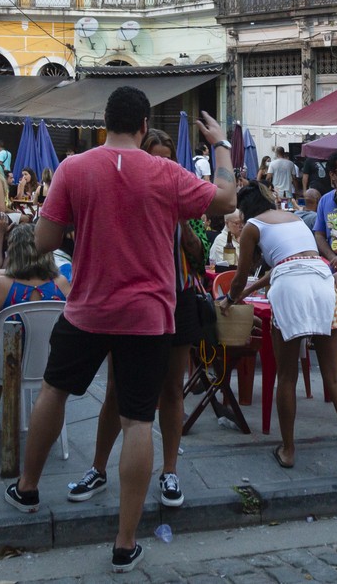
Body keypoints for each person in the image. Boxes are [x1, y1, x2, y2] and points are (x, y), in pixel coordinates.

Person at [3, 90, 232, 577]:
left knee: (55, 391)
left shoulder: (74, 168)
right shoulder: (166, 172)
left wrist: (80, 225)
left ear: (104, 121)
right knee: (135, 421)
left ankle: (27, 488)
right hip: (147, 314)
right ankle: (124, 544)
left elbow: (43, 240)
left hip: (86, 307)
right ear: (144, 123)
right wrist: (222, 146)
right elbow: (228, 198)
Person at [65, 128, 210, 510]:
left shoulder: (181, 194)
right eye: (155, 157)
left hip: (177, 299)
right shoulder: (130, 195)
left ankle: (170, 471)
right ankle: (98, 468)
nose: (162, 164)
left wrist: (180, 225)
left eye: (167, 158)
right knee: (116, 389)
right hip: (135, 303)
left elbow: (200, 255)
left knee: (172, 390)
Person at [220, 181, 337, 479]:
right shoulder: (293, 219)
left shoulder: (252, 226)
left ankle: (288, 450)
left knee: (286, 376)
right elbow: (292, 261)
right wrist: (250, 288)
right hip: (321, 282)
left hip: (290, 288)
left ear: (245, 208)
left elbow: (241, 277)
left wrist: (231, 298)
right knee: (335, 377)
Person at [0, 223, 69, 438]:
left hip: (4, 364)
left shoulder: (1, 284)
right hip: (50, 361)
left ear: (13, 251)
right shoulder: (61, 283)